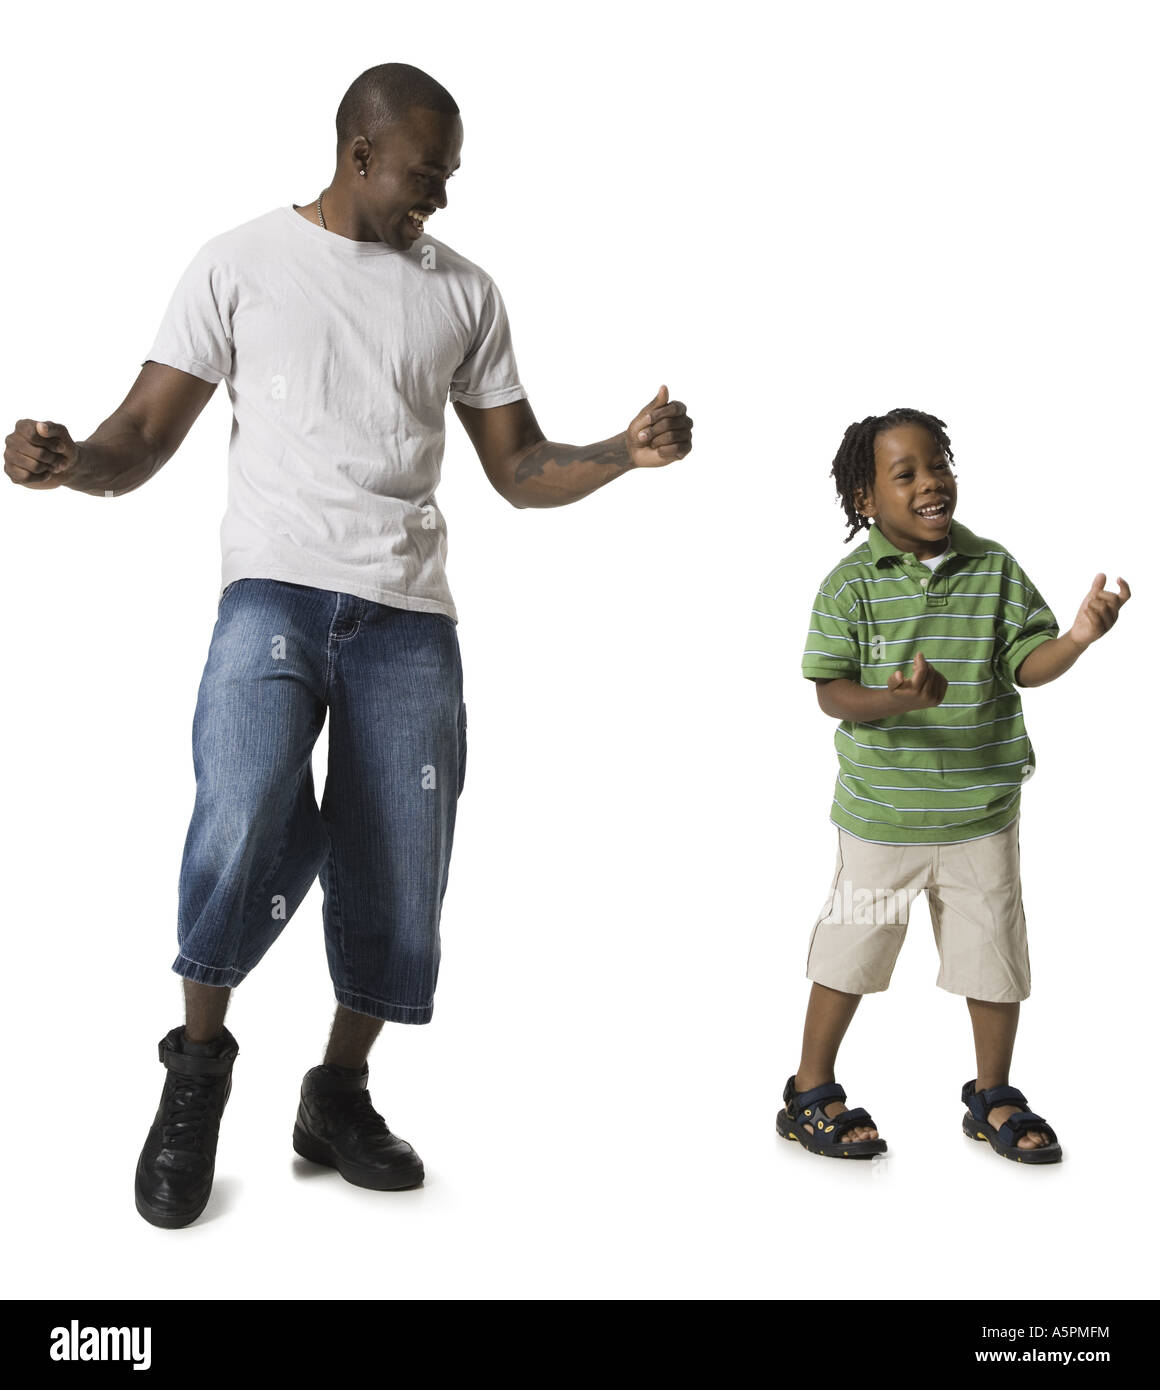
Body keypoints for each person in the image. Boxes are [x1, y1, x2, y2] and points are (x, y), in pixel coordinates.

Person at [3, 62, 693, 1228]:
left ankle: (337, 1091)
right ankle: (196, 1076)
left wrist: (622, 452)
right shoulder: (238, 263)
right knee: (243, 804)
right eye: (430, 174)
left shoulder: (464, 293)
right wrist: (72, 467)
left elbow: (518, 471)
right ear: (360, 153)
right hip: (271, 589)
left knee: (399, 859)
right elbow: (137, 433)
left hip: (408, 617)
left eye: (452, 175)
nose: (444, 197)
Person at [778, 408, 1127, 1163]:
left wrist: (1074, 639)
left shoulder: (994, 567)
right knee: (851, 954)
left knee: (993, 957)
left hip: (983, 813)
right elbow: (830, 692)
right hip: (882, 820)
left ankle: (992, 1095)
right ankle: (810, 1088)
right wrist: (897, 700)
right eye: (906, 474)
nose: (931, 483)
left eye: (939, 465)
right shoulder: (850, 586)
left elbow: (1025, 665)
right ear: (865, 498)